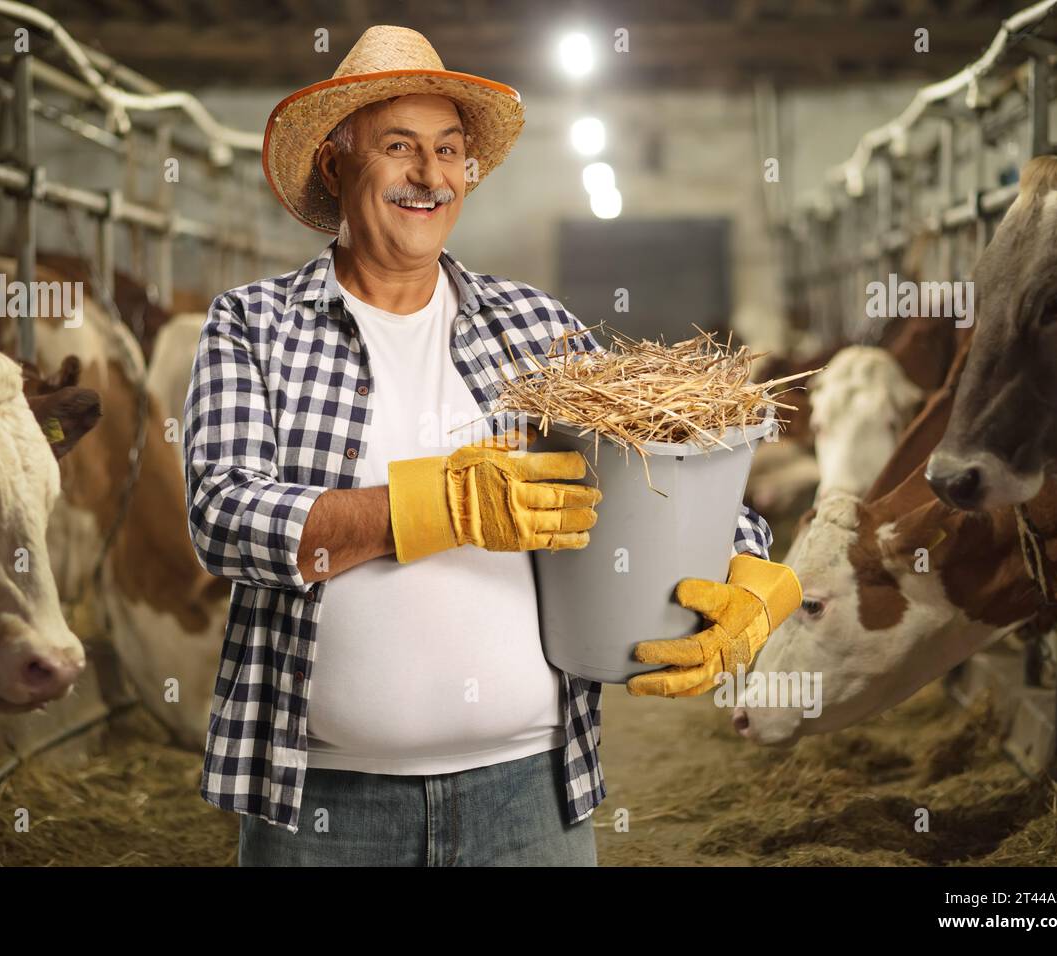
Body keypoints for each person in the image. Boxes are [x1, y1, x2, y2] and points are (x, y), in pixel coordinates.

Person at [184, 24, 801, 867]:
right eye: (399, 147)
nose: (430, 176)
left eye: (449, 151)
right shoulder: (252, 325)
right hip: (323, 808)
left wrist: (749, 564)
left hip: (530, 800)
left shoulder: (535, 327)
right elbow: (223, 516)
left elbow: (656, 462)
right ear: (335, 166)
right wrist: (434, 505)